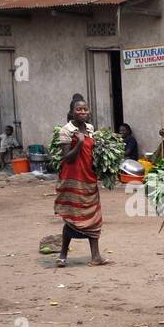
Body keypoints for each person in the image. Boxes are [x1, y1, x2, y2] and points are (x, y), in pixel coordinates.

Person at [54, 96, 108, 268]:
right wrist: (79, 143)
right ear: (72, 112)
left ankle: (96, 256)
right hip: (72, 179)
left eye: (85, 109)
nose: (83, 112)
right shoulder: (66, 130)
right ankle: (63, 255)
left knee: (93, 218)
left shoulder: (90, 128)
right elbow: (67, 158)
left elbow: (92, 153)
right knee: (72, 219)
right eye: (79, 109)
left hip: (88, 178)